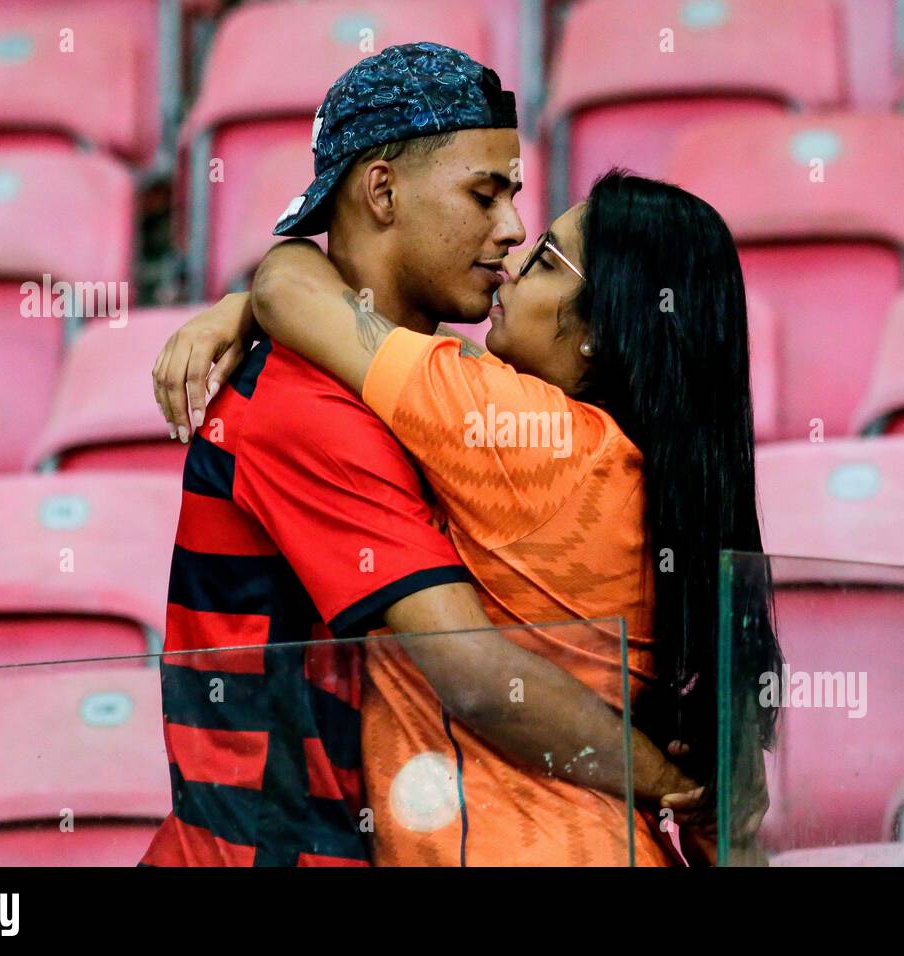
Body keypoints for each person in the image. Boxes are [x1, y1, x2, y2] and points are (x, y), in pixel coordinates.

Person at [142, 43, 693, 868]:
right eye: (485, 194)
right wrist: (669, 782)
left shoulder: (428, 388)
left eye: (513, 198)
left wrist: (256, 296)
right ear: (384, 191)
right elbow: (469, 672)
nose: (510, 230)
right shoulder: (305, 407)